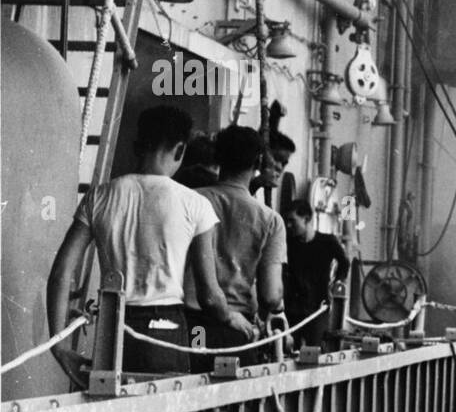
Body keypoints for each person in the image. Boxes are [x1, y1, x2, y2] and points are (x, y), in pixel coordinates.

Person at [46, 106, 256, 381]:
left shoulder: (99, 197)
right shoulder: (195, 204)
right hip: (166, 331)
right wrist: (231, 317)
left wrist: (59, 347)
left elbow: (61, 274)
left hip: (114, 329)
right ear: (180, 150)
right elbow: (209, 295)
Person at [184, 125, 288, 369]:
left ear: (217, 156)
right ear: (259, 161)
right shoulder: (270, 220)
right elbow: (271, 295)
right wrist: (279, 308)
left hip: (191, 327)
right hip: (236, 330)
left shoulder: (189, 199)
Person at [283, 199, 350, 347]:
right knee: (288, 350)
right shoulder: (288, 243)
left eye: (292, 221)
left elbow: (344, 262)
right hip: (293, 310)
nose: (288, 225)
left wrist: (338, 282)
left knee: (315, 349)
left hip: (318, 308)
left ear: (306, 219)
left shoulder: (328, 242)